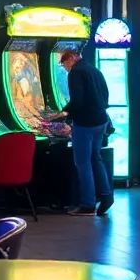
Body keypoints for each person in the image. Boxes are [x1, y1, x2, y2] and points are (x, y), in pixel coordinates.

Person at [46, 49, 114, 217]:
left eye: (64, 63)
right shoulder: (94, 70)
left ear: (71, 59)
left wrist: (62, 114)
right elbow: (105, 95)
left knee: (82, 163)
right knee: (95, 158)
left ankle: (88, 205)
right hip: (100, 120)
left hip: (85, 123)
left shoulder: (76, 73)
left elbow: (77, 101)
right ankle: (106, 195)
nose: (65, 67)